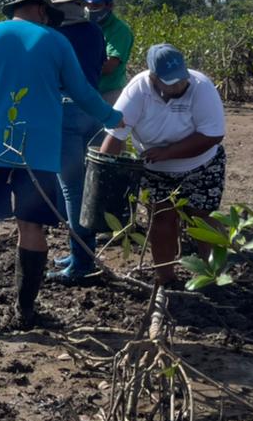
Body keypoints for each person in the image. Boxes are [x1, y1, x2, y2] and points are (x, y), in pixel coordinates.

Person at [0, 0, 123, 337]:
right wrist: (112, 117)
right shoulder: (56, 42)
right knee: (32, 227)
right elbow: (83, 92)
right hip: (39, 153)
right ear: (40, 10)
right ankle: (25, 311)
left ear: (15, 10)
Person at [97, 43, 226, 286]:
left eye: (181, 79)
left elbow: (213, 135)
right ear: (153, 77)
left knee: (203, 217)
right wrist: (104, 185)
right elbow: (115, 137)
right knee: (162, 219)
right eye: (170, 82)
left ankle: (215, 275)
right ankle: (165, 278)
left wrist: (169, 152)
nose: (178, 86)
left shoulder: (201, 86)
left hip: (203, 164)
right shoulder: (137, 90)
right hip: (156, 170)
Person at [43, 0, 107, 285]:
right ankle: (82, 253)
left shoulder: (52, 37)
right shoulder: (95, 32)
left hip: (65, 112)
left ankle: (81, 262)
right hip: (94, 110)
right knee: (89, 186)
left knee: (72, 190)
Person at [82, 0, 134, 103]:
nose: (90, 9)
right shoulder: (83, 25)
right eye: (87, 5)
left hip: (108, 93)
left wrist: (74, 66)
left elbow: (109, 67)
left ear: (109, 6)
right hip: (85, 91)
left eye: (96, 5)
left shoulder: (120, 30)